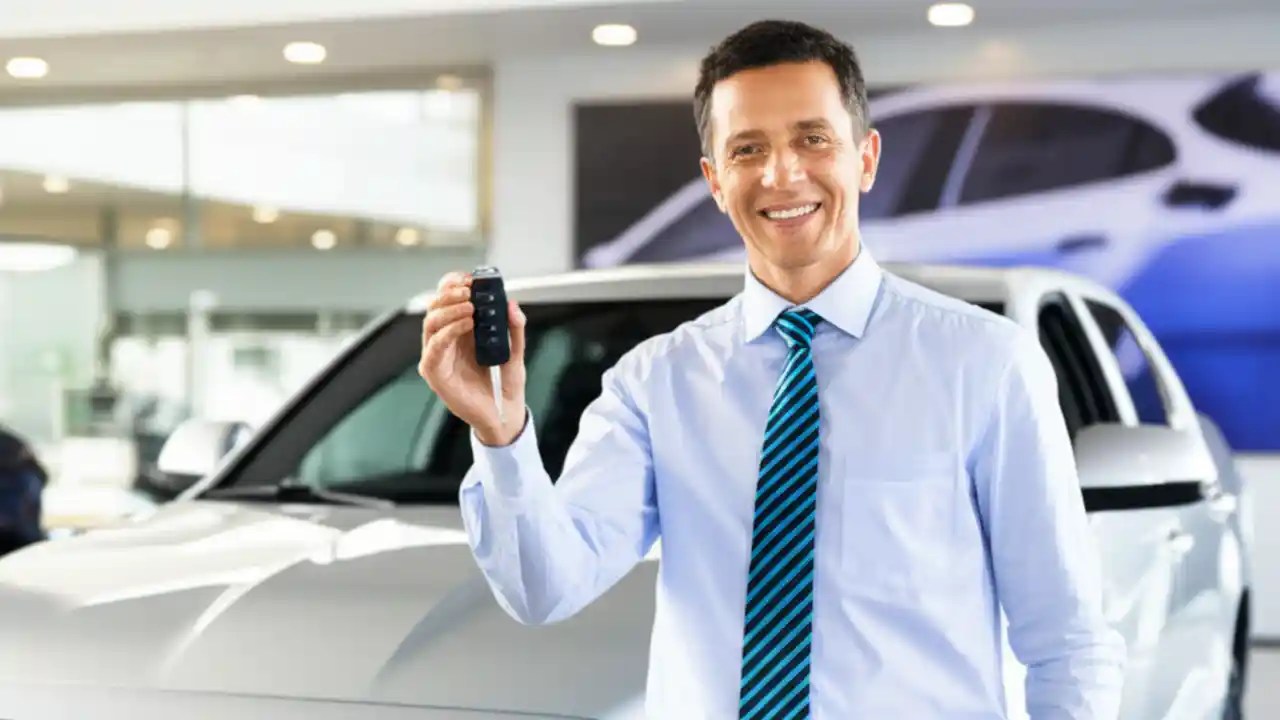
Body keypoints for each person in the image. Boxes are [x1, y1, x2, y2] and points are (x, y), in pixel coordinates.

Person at [419, 18, 1125, 719]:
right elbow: (545, 587)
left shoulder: (986, 363)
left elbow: (1068, 643)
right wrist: (501, 435)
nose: (780, 174)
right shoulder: (655, 383)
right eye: (747, 149)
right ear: (715, 180)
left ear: (866, 158)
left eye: (812, 139)